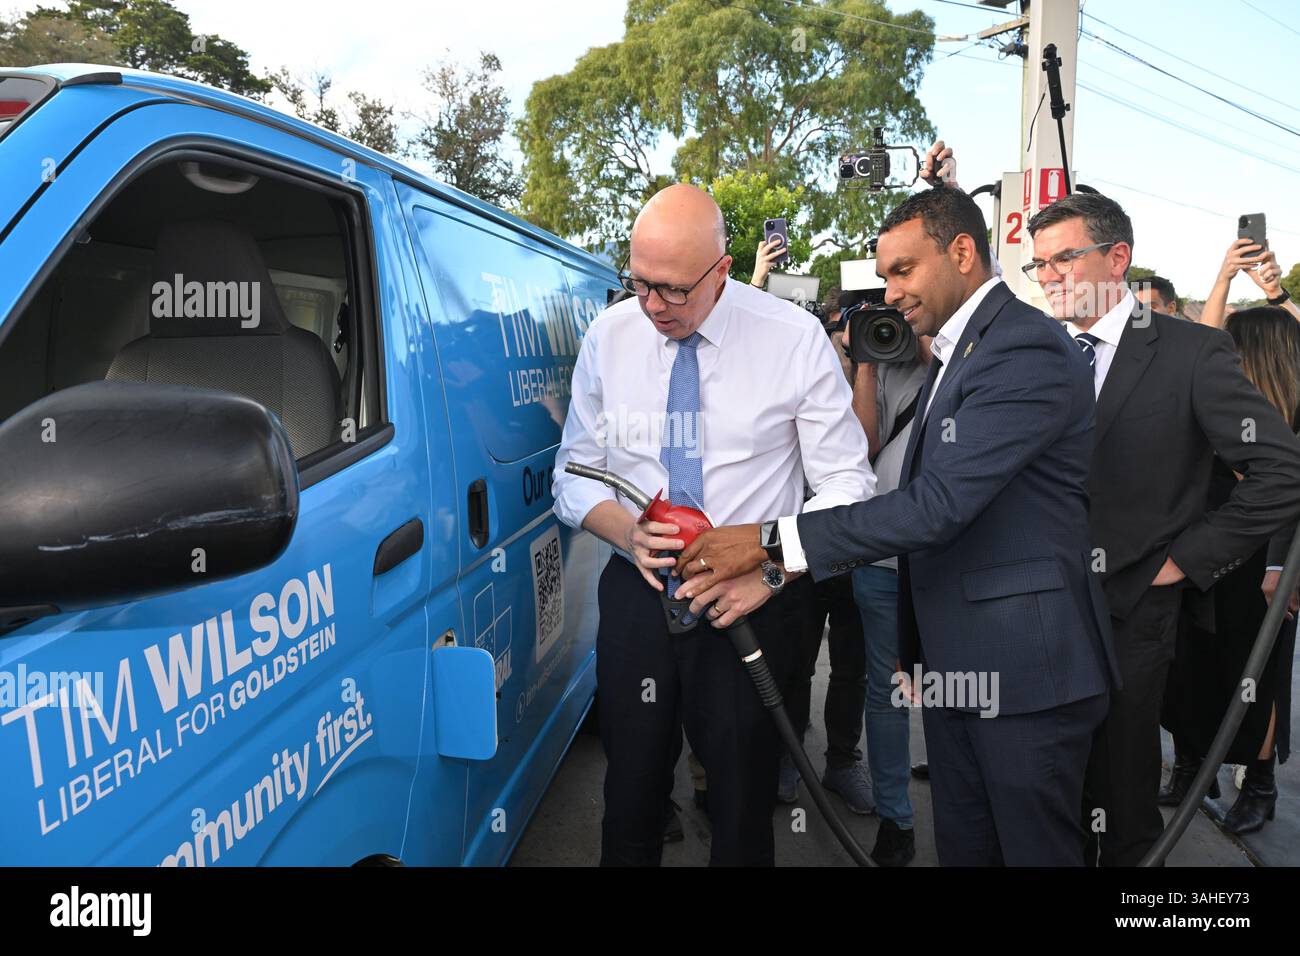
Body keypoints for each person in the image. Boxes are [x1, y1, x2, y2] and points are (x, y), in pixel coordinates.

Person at [674, 184, 1118, 866]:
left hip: (1029, 675)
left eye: (902, 271)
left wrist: (773, 541)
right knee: (969, 849)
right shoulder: (957, 349)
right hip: (963, 666)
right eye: (883, 276)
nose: (890, 293)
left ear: (963, 252)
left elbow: (937, 506)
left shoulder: (1023, 348)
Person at [551, 183, 874, 866]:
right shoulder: (611, 335)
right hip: (639, 602)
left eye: (672, 290)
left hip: (752, 602)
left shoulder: (792, 338)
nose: (652, 307)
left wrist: (767, 563)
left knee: (741, 804)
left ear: (723, 270)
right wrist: (624, 532)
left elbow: (849, 484)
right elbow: (573, 472)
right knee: (631, 793)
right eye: (638, 284)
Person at [1022, 191, 1300, 866]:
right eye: (1039, 265)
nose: (1050, 275)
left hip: (1132, 611)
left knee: (1121, 797)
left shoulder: (1191, 352)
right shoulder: (1036, 352)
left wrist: (1187, 559)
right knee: (1043, 790)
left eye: (1064, 258)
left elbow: (1280, 471)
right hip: (1034, 609)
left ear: (1117, 259)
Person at [1161, 306, 1299, 835]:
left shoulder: (1288, 418)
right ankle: (1194, 767)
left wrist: (1283, 568)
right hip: (1208, 557)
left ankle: (1259, 784)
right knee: (1191, 667)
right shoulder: (1223, 405)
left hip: (1263, 568)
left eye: (1236, 347)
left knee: (1256, 678)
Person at [837, 292, 933, 866]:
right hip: (882, 561)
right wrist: (866, 359)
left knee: (959, 688)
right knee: (890, 689)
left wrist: (930, 343)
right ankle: (897, 818)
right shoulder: (882, 361)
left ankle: (968, 797)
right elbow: (861, 447)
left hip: (952, 560)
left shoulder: (963, 356)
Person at [1200, 236, 1300, 328]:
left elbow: (1206, 339)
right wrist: (1274, 292)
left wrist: (1223, 278)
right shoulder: (1288, 341)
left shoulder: (1225, 345)